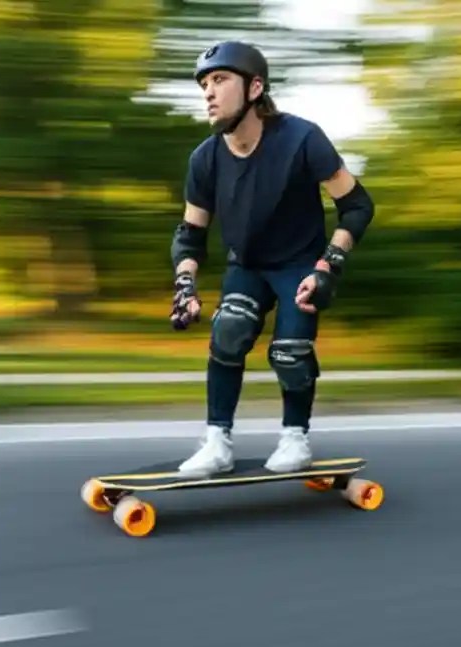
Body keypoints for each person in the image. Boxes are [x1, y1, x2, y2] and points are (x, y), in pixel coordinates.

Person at [167, 40, 376, 478]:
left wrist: (329, 265)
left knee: (290, 351)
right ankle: (217, 442)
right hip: (247, 265)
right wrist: (185, 285)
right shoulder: (204, 160)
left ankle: (295, 437)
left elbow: (357, 205)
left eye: (220, 80)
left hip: (300, 264)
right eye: (204, 83)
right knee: (230, 329)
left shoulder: (302, 139)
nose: (208, 91)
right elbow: (190, 234)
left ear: (255, 87)